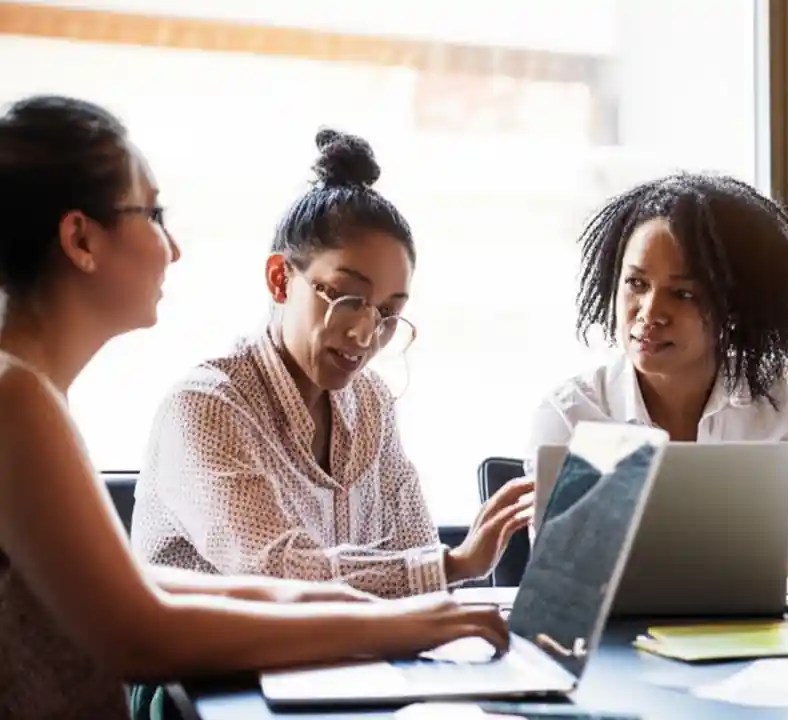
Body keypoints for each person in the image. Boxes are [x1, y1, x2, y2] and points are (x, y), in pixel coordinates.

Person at [0, 95, 507, 719]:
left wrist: (367, 606)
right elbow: (139, 632)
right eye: (153, 213)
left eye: (389, 314)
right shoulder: (15, 399)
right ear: (80, 238)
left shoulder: (30, 394)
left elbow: (149, 586)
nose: (174, 248)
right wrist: (399, 622)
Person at [131, 128, 531, 598]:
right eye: (347, 298)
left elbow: (416, 561)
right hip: (209, 668)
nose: (365, 333)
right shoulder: (205, 407)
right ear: (281, 279)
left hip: (336, 662)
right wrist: (454, 564)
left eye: (388, 312)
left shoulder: (372, 403)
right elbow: (274, 571)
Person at [527, 173, 788, 554]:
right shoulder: (571, 412)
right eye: (637, 284)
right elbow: (559, 570)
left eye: (683, 294)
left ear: (734, 307)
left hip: (762, 615)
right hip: (621, 617)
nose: (650, 313)